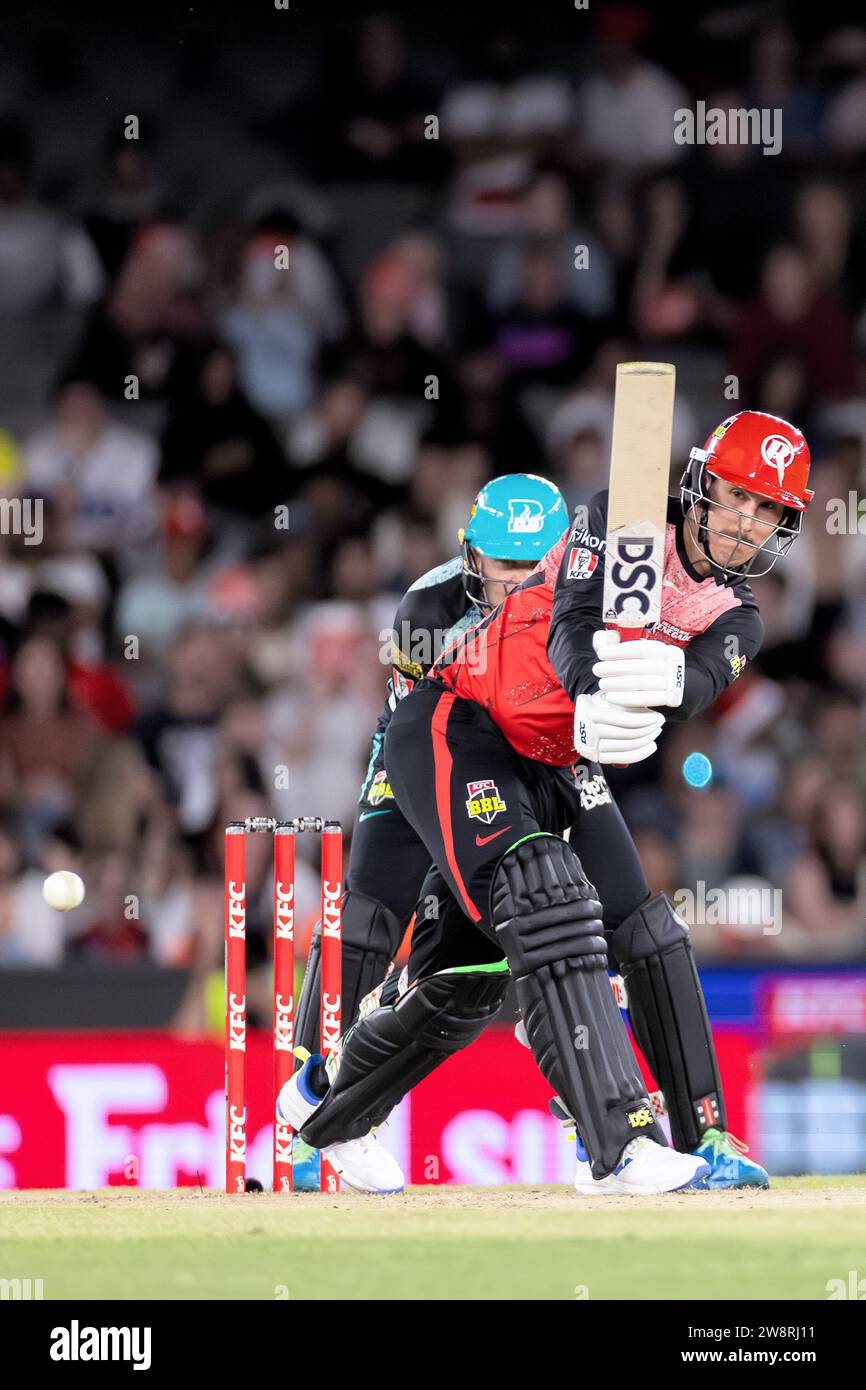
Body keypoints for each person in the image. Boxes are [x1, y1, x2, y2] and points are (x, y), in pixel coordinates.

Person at [280, 410, 812, 1196]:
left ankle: (706, 1141)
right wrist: (592, 690)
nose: (747, 522)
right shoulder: (616, 520)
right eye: (737, 496)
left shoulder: (739, 616)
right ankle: (618, 1147)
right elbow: (571, 619)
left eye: (769, 511)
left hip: (556, 757)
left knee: (624, 938)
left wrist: (664, 689)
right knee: (543, 895)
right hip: (460, 724)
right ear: (700, 483)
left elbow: (698, 682)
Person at [290, 472, 567, 1189]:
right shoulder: (426, 607)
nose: (507, 581)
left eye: (527, 568)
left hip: (518, 774)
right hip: (424, 753)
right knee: (371, 909)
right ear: (470, 552)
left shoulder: (579, 603)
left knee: (476, 964)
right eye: (496, 563)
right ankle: (310, 1081)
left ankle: (357, 1100)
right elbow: (449, 727)